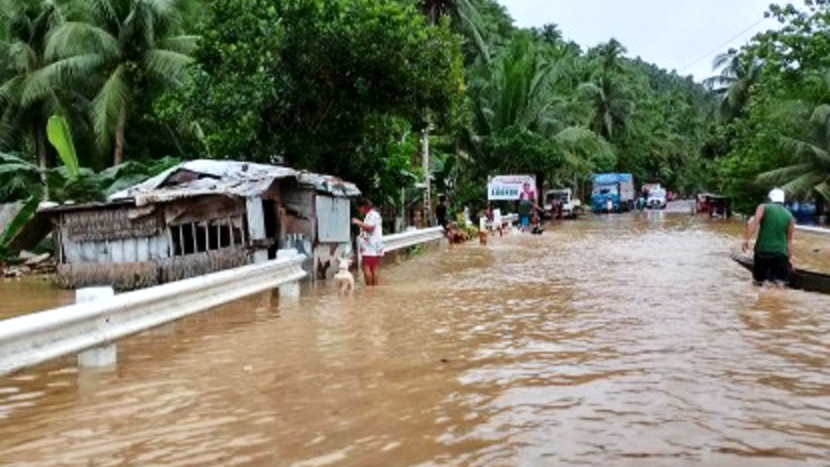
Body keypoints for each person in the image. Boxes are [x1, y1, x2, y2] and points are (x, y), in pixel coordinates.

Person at [742, 188, 795, 287]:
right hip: (780, 254)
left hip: (762, 252)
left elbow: (754, 223)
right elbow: (789, 240)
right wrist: (790, 258)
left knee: (758, 284)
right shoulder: (790, 216)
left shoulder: (763, 207)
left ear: (770, 199)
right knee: (779, 284)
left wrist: (746, 239)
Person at [353, 199, 383, 287]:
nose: (359, 210)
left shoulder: (371, 216)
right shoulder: (375, 215)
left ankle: (369, 289)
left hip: (370, 245)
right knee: (375, 267)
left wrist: (358, 222)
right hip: (376, 246)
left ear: (363, 207)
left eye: (360, 208)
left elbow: (370, 228)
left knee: (366, 267)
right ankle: (374, 288)